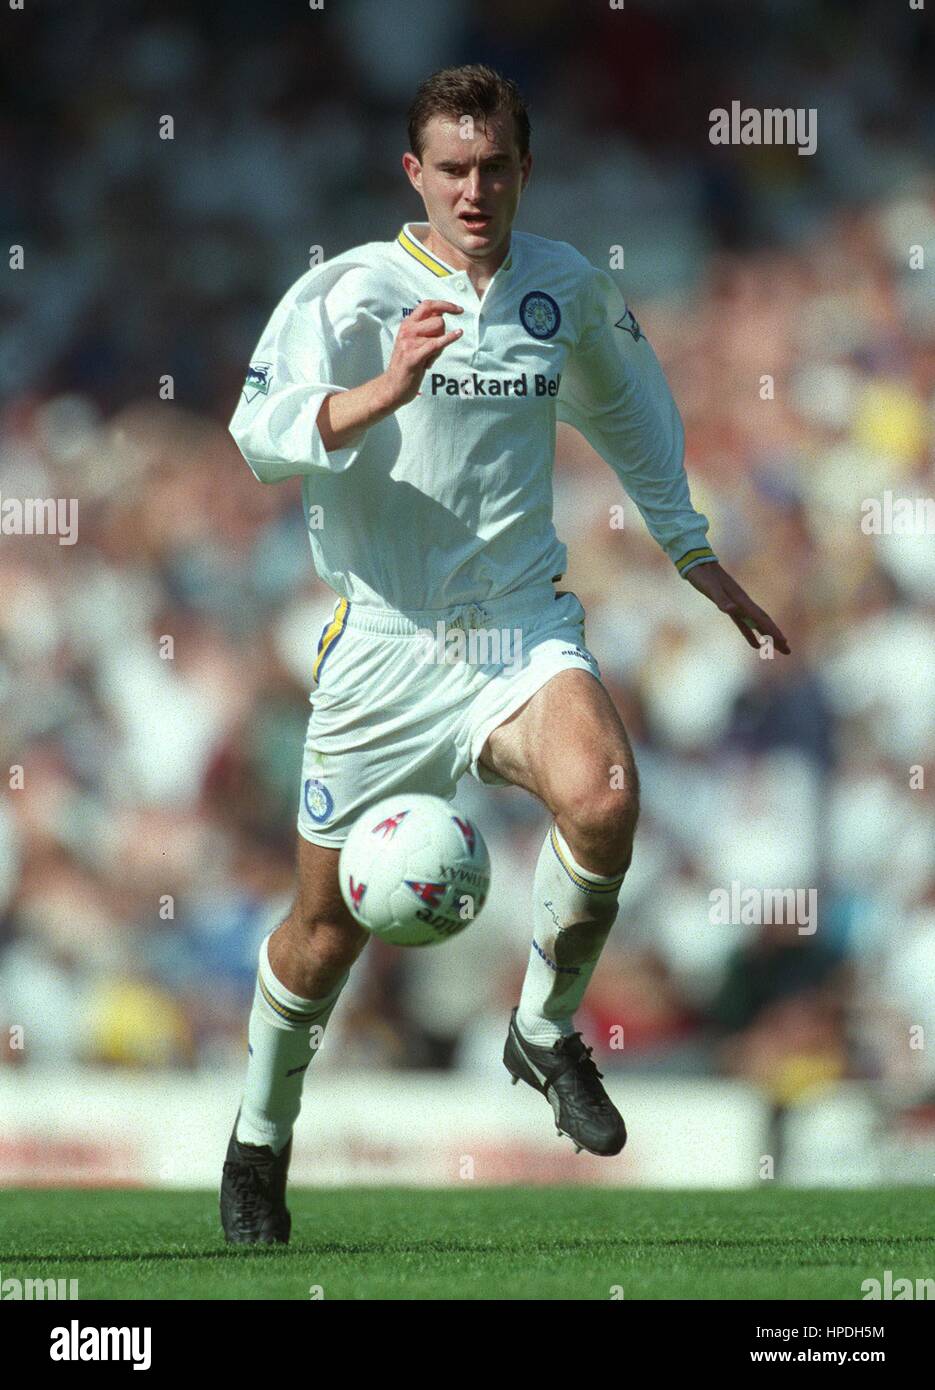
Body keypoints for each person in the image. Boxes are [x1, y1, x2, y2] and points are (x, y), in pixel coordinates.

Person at [221, 63, 789, 1243]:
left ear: (522, 169)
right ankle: (259, 1144)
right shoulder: (346, 292)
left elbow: (632, 411)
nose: (472, 192)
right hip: (382, 646)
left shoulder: (563, 289)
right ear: (412, 174)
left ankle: (540, 1028)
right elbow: (258, 436)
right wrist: (383, 389)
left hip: (518, 627)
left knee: (604, 793)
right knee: (322, 936)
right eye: (451, 170)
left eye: (492, 169)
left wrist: (689, 552)